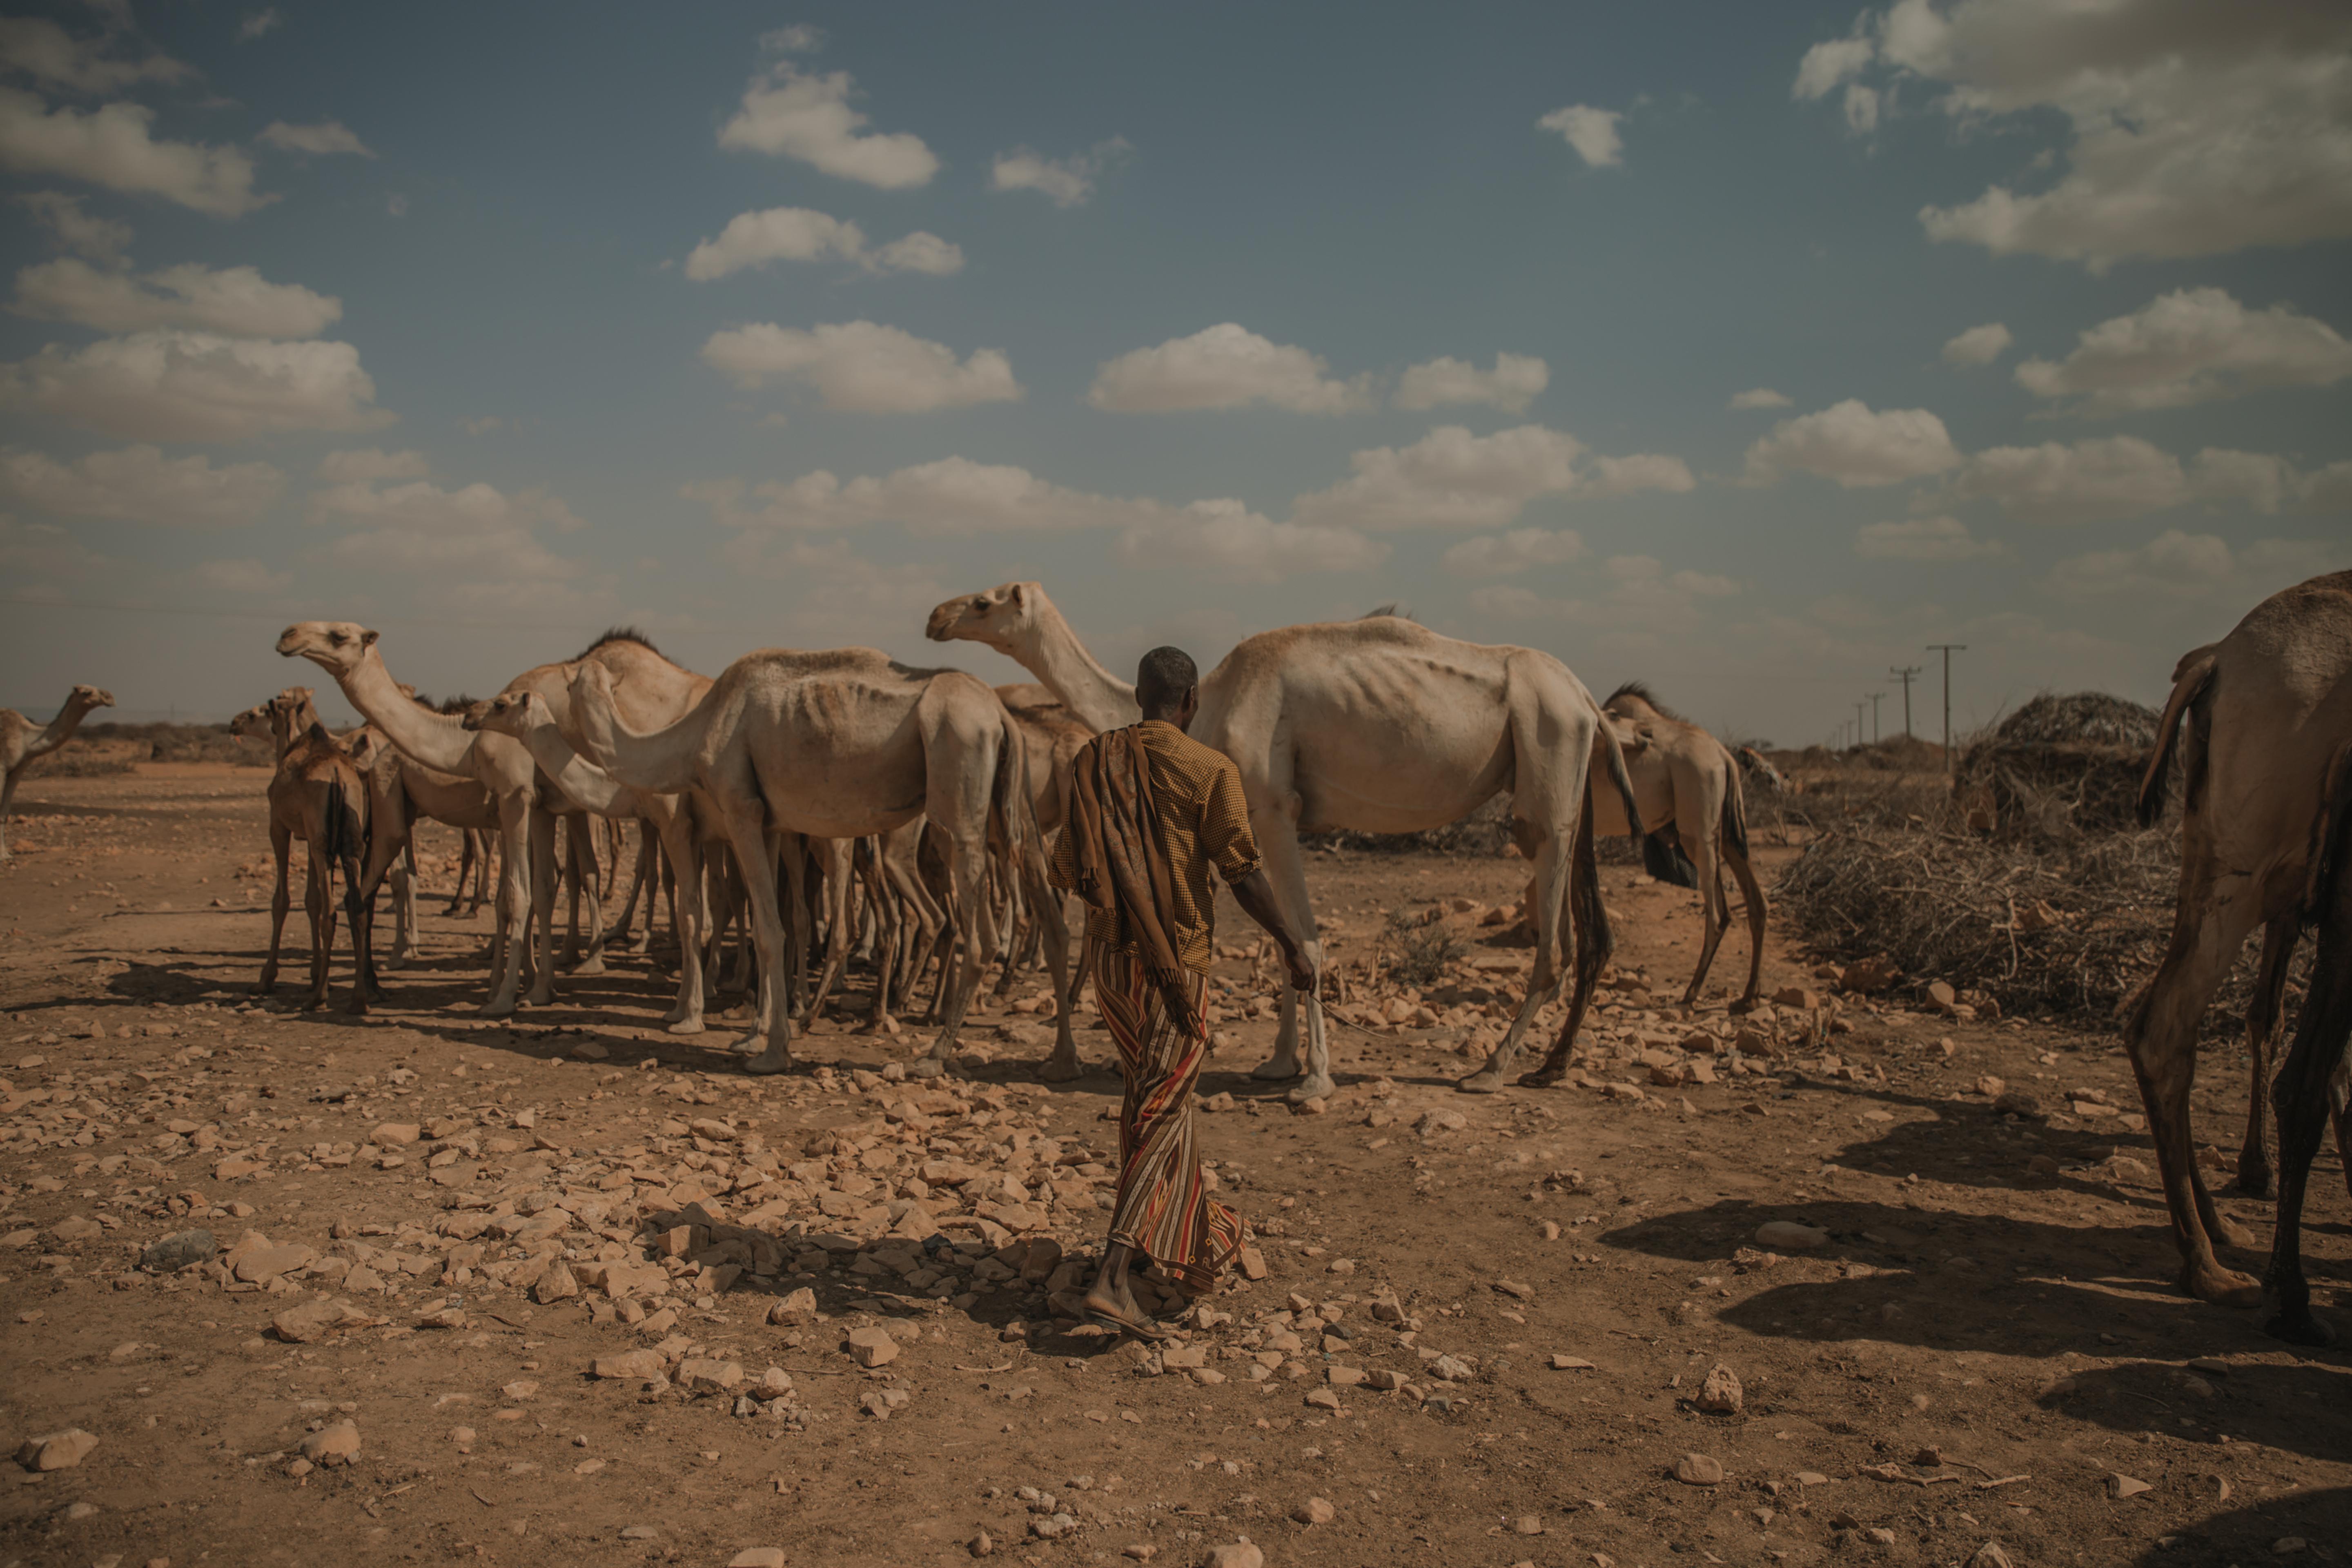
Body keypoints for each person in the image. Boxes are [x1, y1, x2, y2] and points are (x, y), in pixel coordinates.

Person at [1049, 645, 1314, 1339]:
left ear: (1138, 696)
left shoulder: (1091, 762)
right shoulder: (1210, 770)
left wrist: (1122, 896)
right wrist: (1290, 943)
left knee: (1152, 1100)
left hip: (1110, 967)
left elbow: (1064, 865)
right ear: (1191, 700)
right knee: (1162, 1109)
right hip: (1177, 971)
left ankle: (1192, 1246)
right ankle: (1112, 1276)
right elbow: (1243, 872)